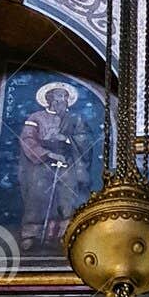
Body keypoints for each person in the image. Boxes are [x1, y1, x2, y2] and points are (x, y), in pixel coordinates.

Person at [18, 83, 90, 249]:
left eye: (64, 97)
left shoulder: (75, 118)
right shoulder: (36, 117)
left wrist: (65, 139)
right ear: (49, 99)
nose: (61, 101)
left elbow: (84, 138)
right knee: (37, 196)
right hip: (41, 163)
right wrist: (47, 153)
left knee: (67, 197)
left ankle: (65, 234)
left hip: (67, 162)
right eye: (58, 97)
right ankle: (31, 234)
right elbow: (27, 139)